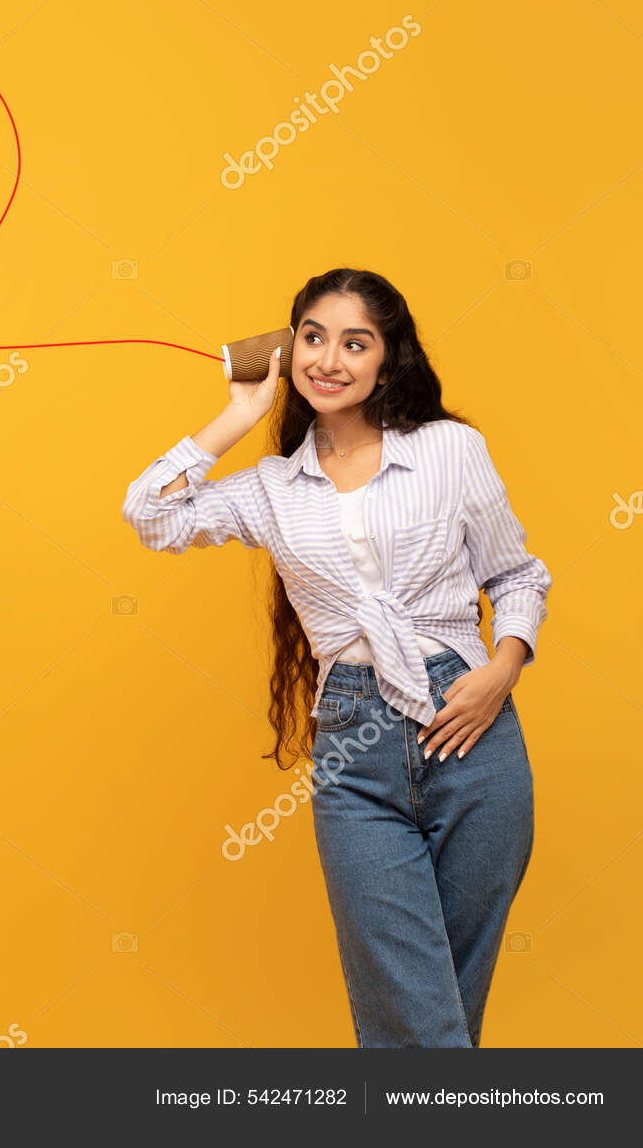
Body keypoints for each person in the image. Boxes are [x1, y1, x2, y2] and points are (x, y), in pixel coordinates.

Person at [121, 267, 550, 1047]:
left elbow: (516, 575)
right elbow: (151, 515)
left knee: (448, 1007)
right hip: (356, 750)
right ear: (289, 349)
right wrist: (237, 413)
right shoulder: (272, 488)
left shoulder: (451, 451)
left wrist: (501, 669)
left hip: (471, 727)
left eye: (356, 343)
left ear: (388, 361)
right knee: (414, 1021)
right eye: (314, 338)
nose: (330, 359)